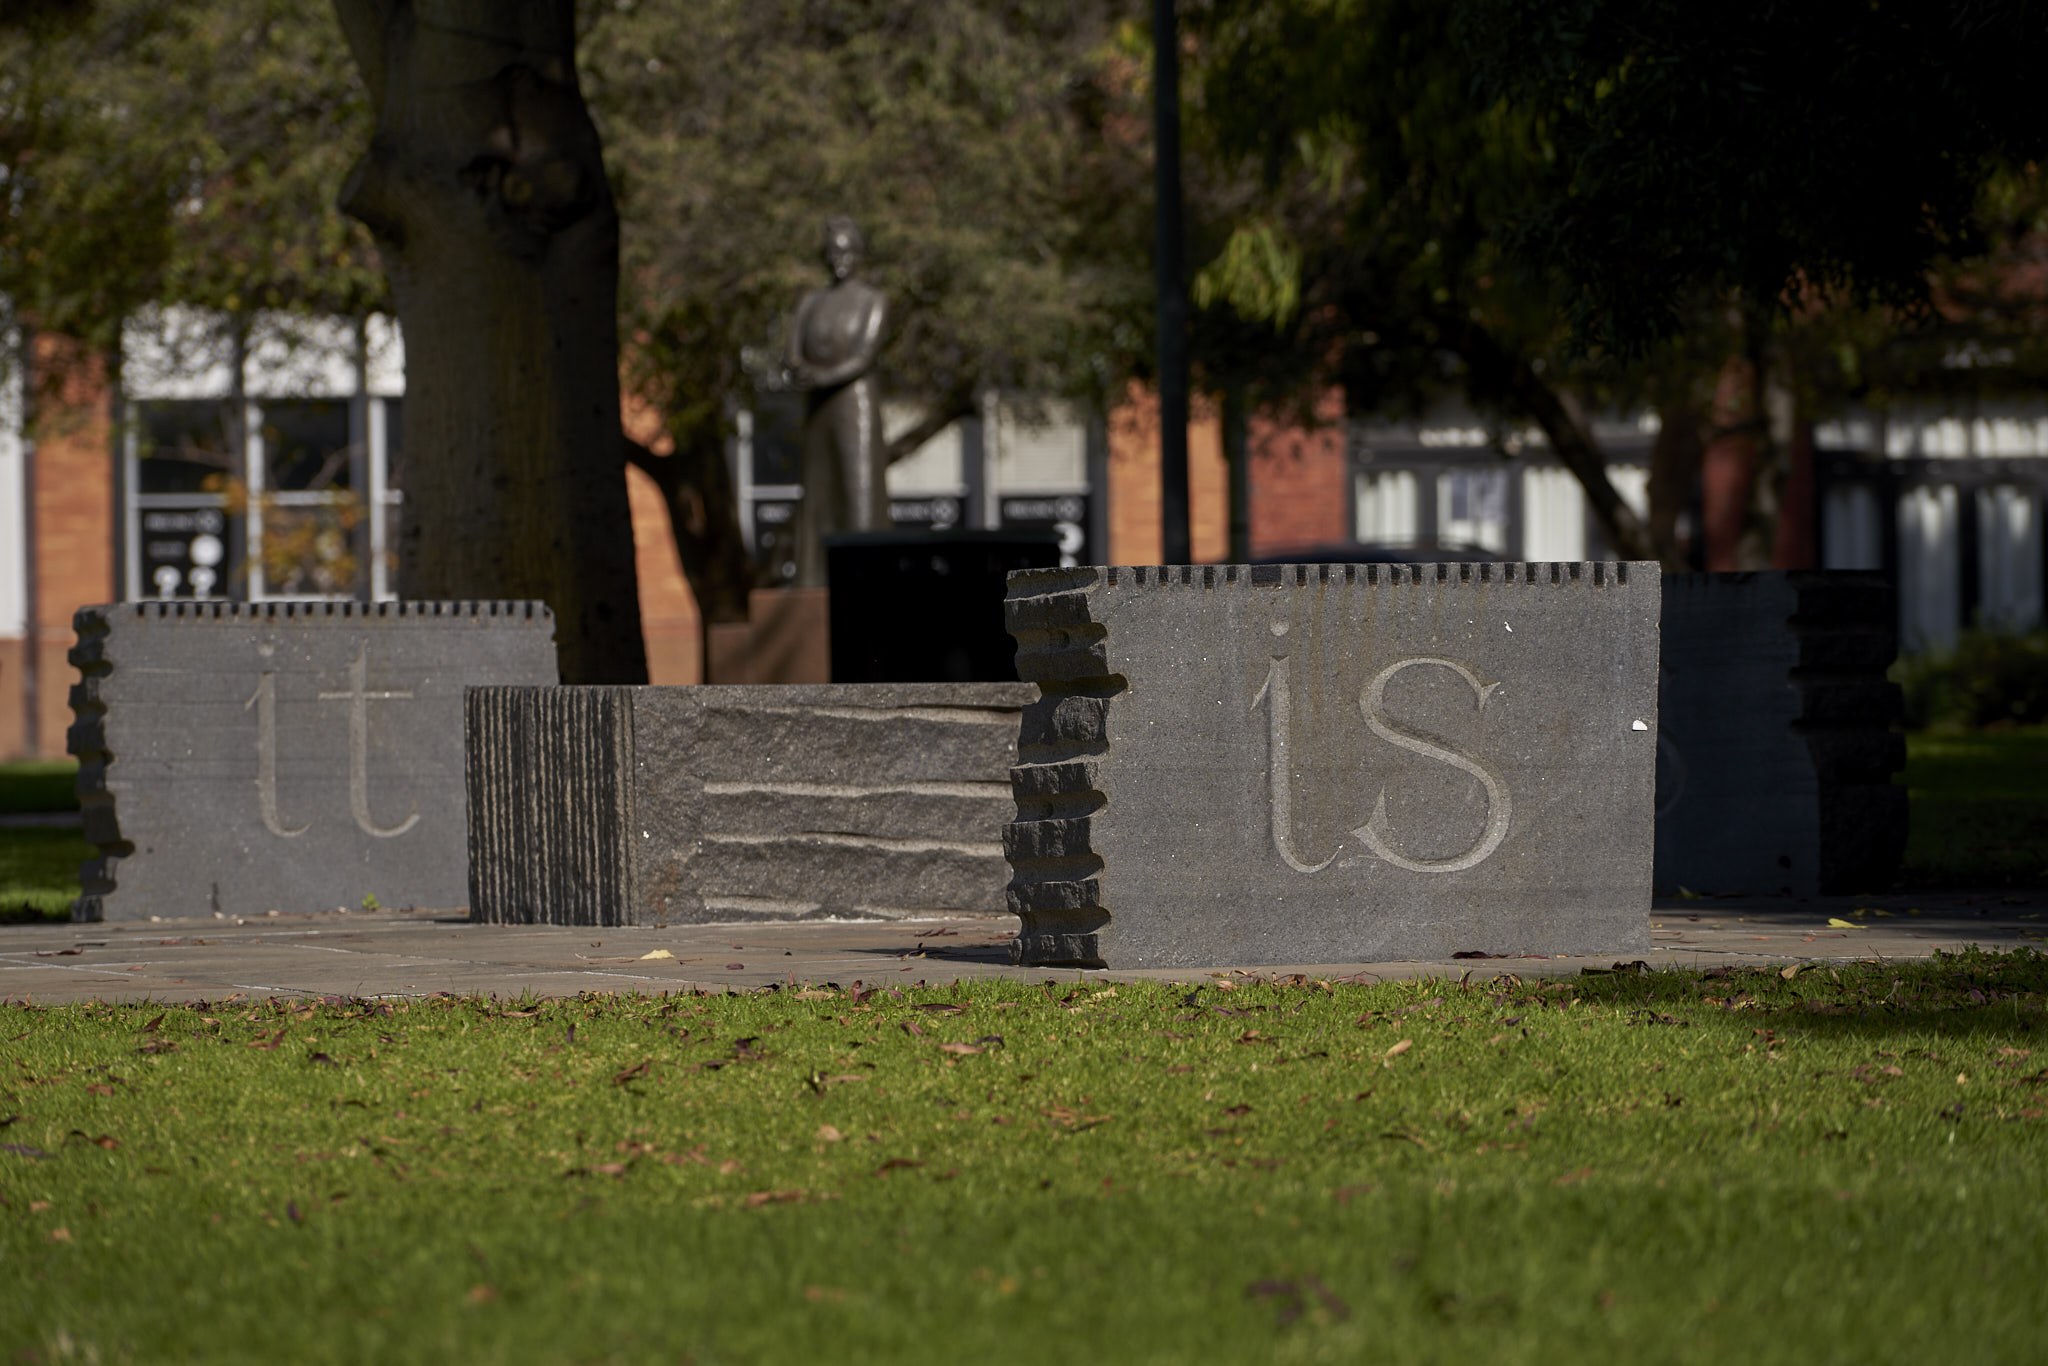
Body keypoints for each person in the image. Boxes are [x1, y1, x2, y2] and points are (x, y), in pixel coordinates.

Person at [784, 216, 889, 586]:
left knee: (859, 492)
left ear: (858, 254)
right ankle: (812, 580)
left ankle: (864, 579)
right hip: (817, 409)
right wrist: (799, 370)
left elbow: (864, 356)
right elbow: (793, 351)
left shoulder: (873, 301)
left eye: (845, 251)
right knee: (817, 496)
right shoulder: (811, 302)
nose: (838, 259)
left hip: (854, 405)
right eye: (832, 252)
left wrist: (822, 376)